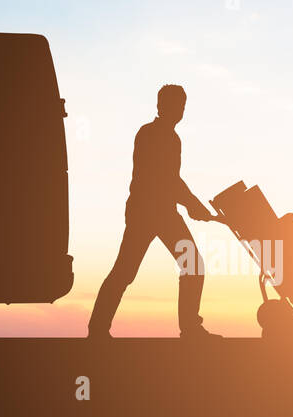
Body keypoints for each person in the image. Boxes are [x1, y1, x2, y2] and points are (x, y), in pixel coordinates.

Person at [88, 84, 222, 340]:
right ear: (161, 106)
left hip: (160, 213)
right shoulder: (152, 135)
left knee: (188, 265)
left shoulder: (169, 137)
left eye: (182, 106)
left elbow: (172, 179)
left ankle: (189, 328)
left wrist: (191, 204)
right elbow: (166, 179)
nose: (179, 111)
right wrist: (193, 204)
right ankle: (98, 330)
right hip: (147, 213)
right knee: (129, 271)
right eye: (175, 105)